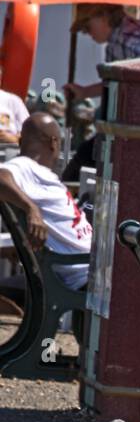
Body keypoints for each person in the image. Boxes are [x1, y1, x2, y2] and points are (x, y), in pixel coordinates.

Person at [0, 114, 93, 290]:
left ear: (20, 142)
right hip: (83, 276)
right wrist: (31, 209)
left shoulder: (38, 174)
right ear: (53, 143)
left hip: (88, 269)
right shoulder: (25, 166)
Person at [64, 4, 140, 102]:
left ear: (104, 17)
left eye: (87, 27)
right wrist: (85, 92)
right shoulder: (129, 31)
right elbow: (116, 83)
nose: (85, 32)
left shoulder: (122, 44)